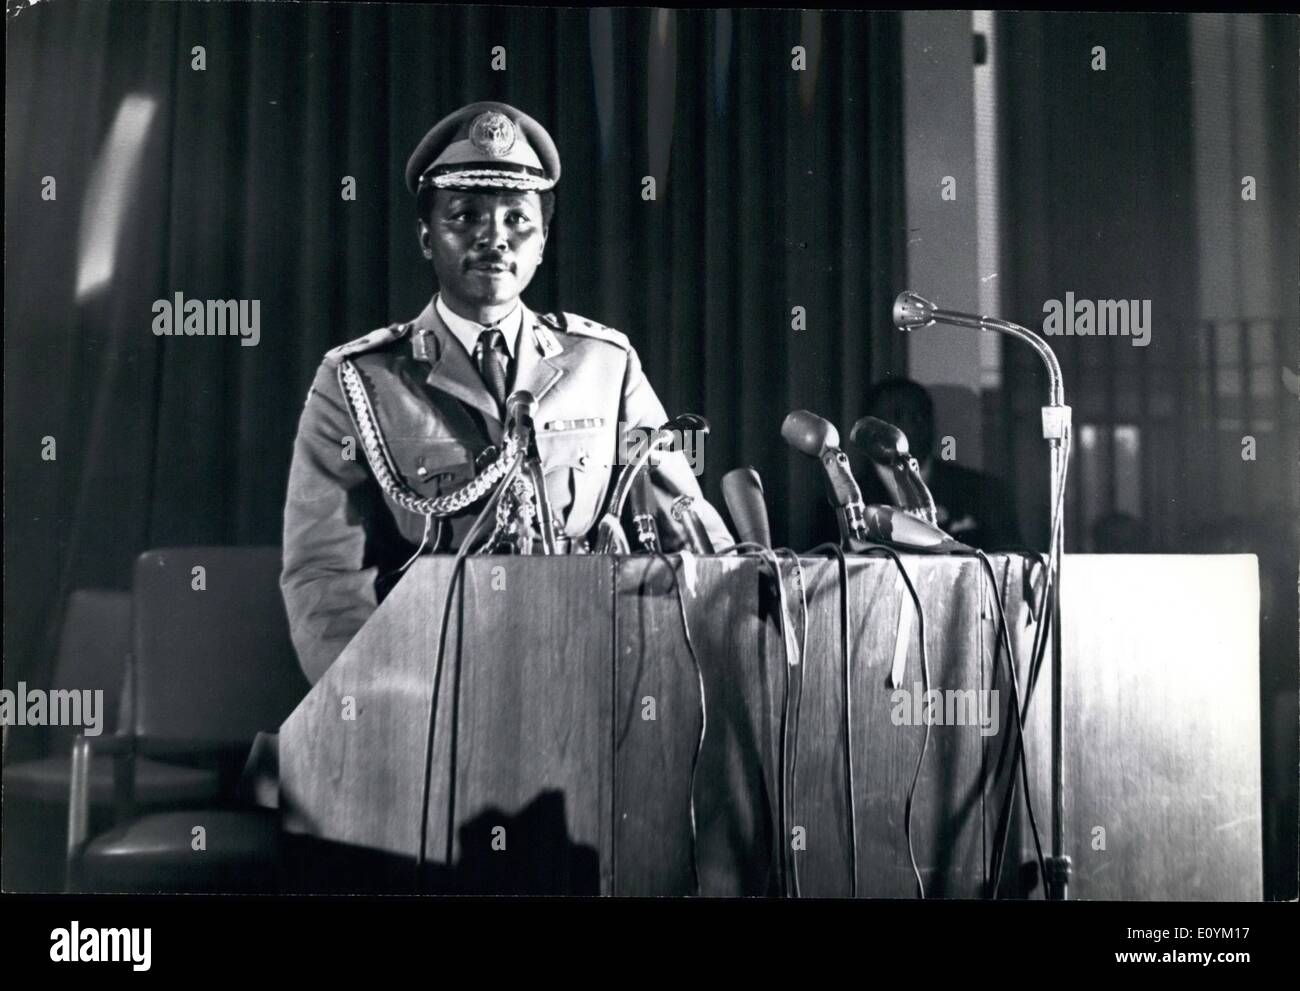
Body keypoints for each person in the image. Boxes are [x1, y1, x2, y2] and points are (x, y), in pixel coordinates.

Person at [281, 101, 732, 684]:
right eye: (465, 217)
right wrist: (374, 703)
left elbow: (685, 520)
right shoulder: (360, 380)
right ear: (425, 237)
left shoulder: (605, 365)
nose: (494, 238)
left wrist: (739, 601)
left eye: (517, 220)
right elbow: (325, 574)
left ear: (543, 241)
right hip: (431, 679)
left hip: (588, 672)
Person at [815, 377, 1022, 551]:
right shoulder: (839, 502)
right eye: (898, 416)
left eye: (921, 415)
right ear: (869, 430)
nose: (913, 425)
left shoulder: (984, 491)